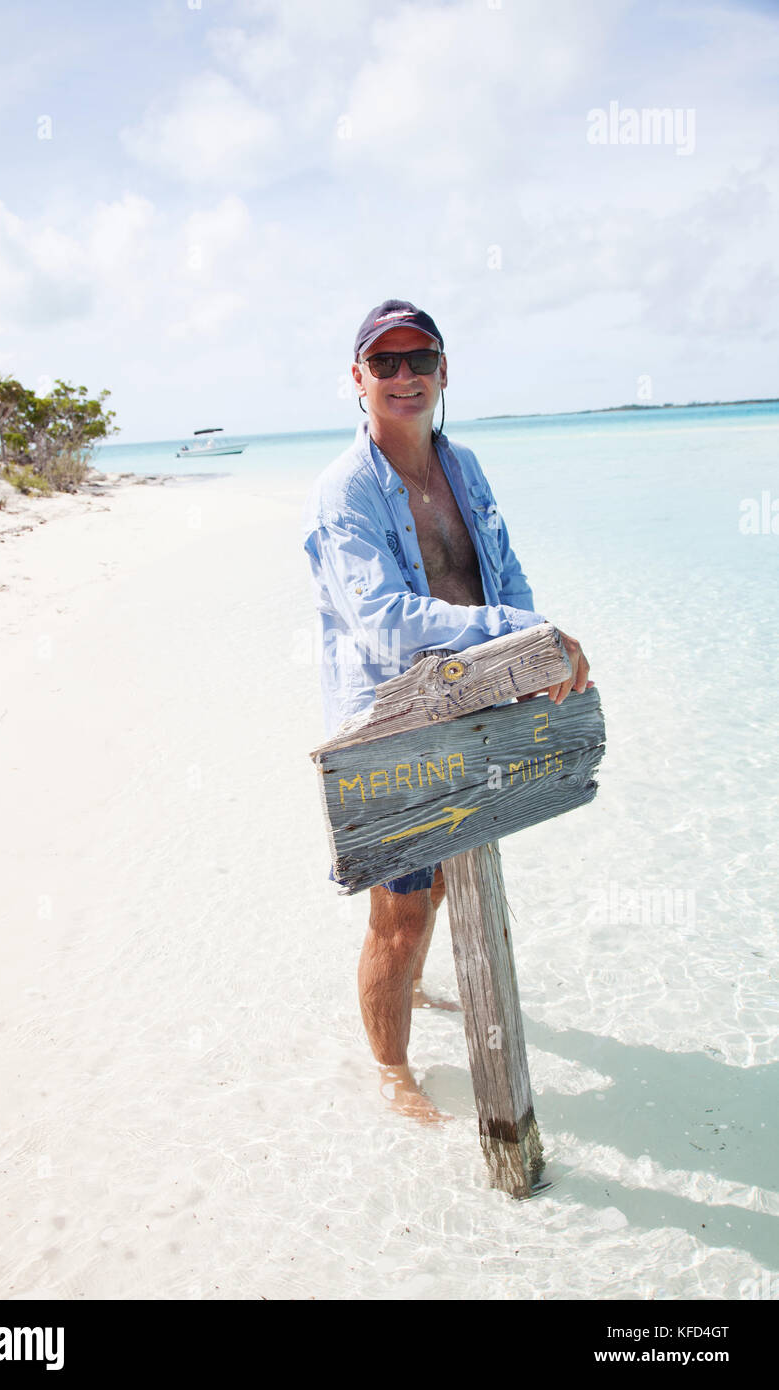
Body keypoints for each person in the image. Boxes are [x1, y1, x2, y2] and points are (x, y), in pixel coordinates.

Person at [302, 299, 592, 1124]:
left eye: (418, 359)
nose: (403, 376)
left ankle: (422, 992)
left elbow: (507, 574)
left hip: (474, 706)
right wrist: (523, 633)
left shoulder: (464, 466)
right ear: (355, 380)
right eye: (383, 362)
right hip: (391, 730)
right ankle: (391, 1071)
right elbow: (386, 623)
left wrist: (536, 654)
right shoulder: (344, 491)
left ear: (442, 372)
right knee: (397, 912)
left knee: (440, 886)